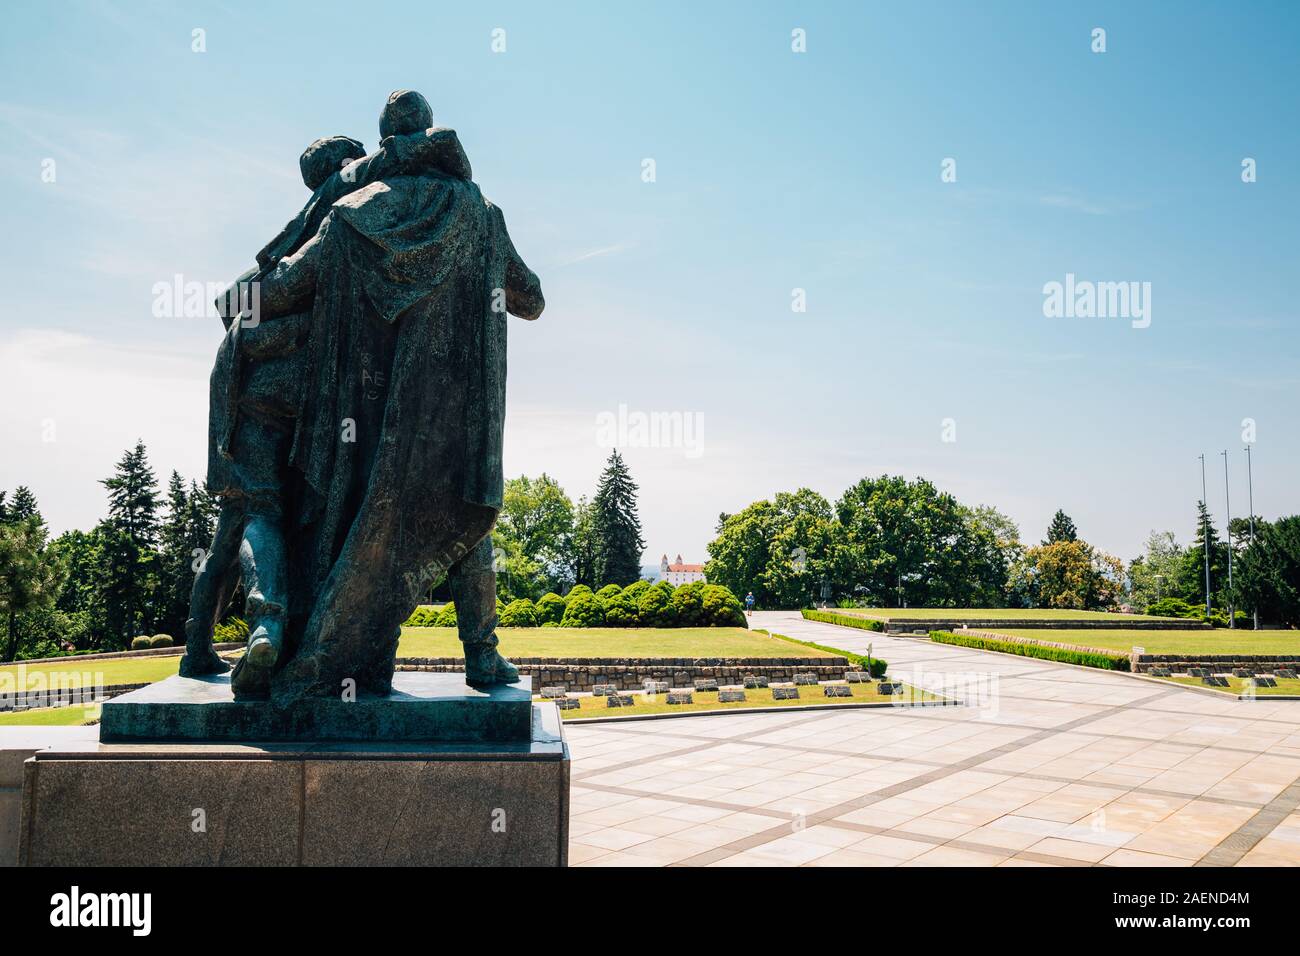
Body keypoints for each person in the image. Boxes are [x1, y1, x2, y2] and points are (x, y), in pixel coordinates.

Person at [254, 90, 543, 702]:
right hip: (455, 430)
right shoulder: (481, 214)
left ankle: (329, 654)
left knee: (364, 532)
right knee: (465, 527)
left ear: (387, 145)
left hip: (365, 437)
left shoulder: (352, 214)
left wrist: (243, 296)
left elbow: (280, 291)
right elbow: (532, 298)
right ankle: (483, 655)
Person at [179, 119, 478, 698]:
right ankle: (228, 640)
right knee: (273, 516)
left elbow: (239, 304)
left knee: (247, 516)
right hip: (302, 400)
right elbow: (248, 303)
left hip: (271, 399)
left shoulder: (328, 229)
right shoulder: (346, 222)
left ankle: (242, 631)